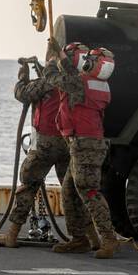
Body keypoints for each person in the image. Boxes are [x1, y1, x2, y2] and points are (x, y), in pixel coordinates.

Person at [50, 40, 120, 259]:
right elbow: (72, 77)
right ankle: (79, 238)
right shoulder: (99, 85)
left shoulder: (81, 83)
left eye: (90, 59)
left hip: (85, 145)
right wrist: (61, 56)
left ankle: (108, 239)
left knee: (89, 191)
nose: (85, 61)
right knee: (70, 191)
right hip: (82, 144)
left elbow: (56, 79)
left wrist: (53, 61)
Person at [0, 53, 70, 248]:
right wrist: (40, 68)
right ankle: (86, 237)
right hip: (68, 142)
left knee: (28, 184)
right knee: (72, 191)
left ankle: (12, 235)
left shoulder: (44, 83)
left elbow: (22, 93)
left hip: (45, 144)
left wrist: (23, 75)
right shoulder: (72, 81)